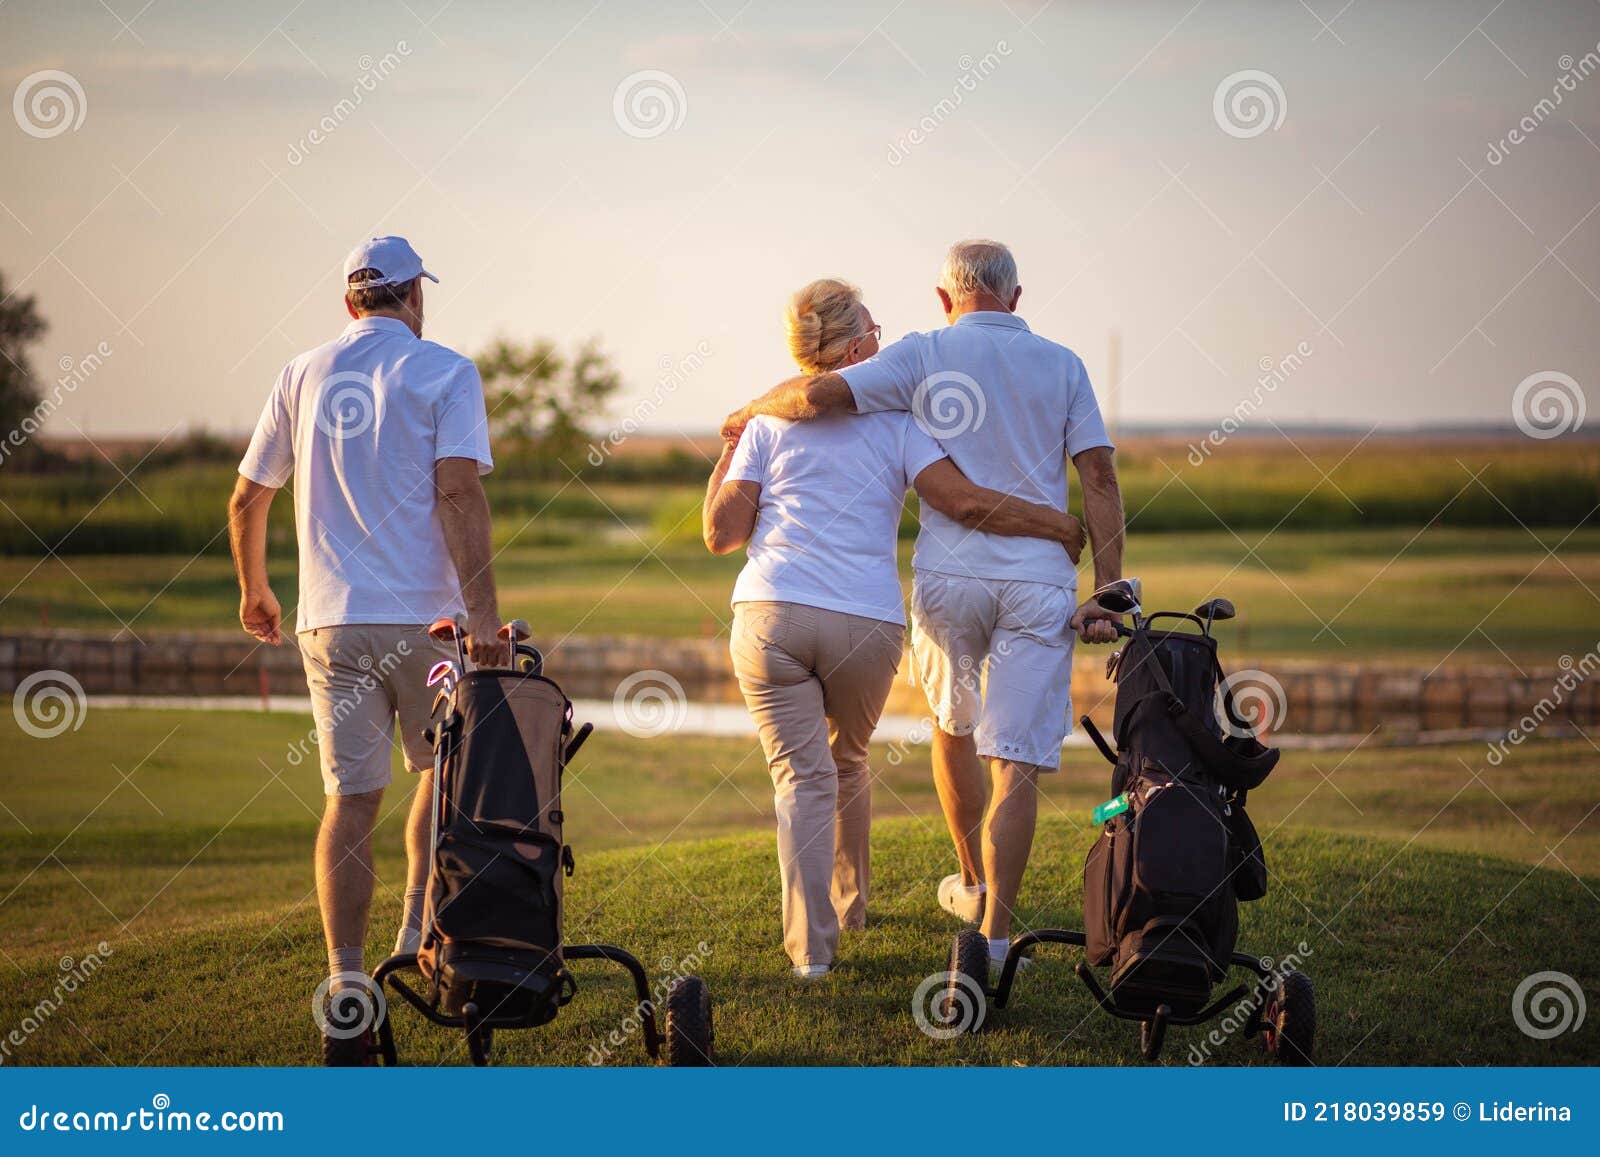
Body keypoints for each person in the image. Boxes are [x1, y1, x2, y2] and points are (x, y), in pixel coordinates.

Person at [723, 242, 1127, 969]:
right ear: (1017, 295)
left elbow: (816, 397)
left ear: (945, 300)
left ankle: (966, 881)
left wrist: (752, 412)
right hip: (1037, 581)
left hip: (945, 579)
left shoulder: (921, 351)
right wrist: (1104, 583)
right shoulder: (1064, 364)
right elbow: (1098, 472)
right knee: (1018, 764)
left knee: (951, 726)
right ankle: (997, 939)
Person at [227, 235, 507, 1063]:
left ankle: (348, 987)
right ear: (413, 296)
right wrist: (484, 615)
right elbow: (458, 489)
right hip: (426, 622)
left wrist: (256, 590)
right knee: (444, 772)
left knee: (351, 800)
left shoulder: (301, 371)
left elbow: (248, 495)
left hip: (331, 622)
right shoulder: (446, 371)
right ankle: (420, 921)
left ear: (352, 302)